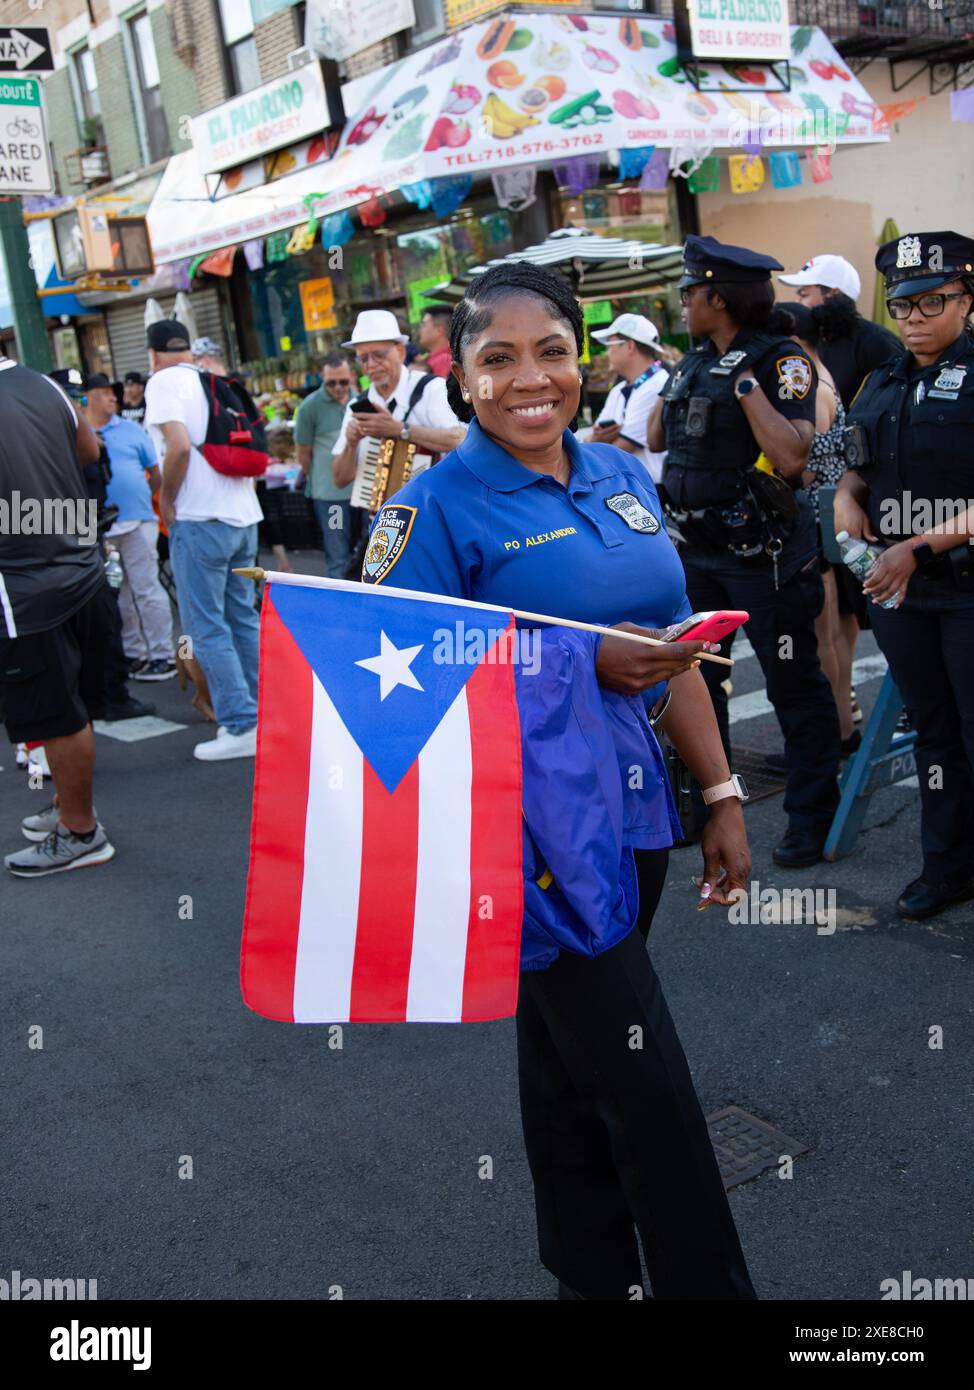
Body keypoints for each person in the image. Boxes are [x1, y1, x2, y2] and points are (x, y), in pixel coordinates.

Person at [360, 260, 756, 1300]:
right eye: (498, 359)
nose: (529, 379)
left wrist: (717, 794)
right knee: (648, 1081)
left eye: (550, 351)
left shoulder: (619, 474)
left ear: (580, 358)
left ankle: (588, 1273)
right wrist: (574, 661)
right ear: (460, 375)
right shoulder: (427, 512)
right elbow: (386, 697)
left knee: (567, 1062)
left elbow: (674, 650)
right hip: (524, 843)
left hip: (635, 815)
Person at [648, 234, 841, 867]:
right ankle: (707, 806)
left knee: (793, 685)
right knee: (696, 682)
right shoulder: (692, 359)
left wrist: (747, 389)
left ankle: (812, 815)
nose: (681, 303)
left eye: (688, 292)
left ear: (719, 296)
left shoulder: (782, 359)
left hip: (767, 559)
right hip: (700, 556)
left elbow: (792, 457)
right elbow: (657, 434)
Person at [836, 230, 974, 919]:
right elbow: (842, 454)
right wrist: (843, 495)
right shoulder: (882, 377)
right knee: (935, 733)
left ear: (966, 298)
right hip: (902, 592)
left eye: (932, 301)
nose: (915, 317)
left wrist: (918, 547)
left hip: (961, 588)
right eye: (903, 304)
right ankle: (947, 867)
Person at [1, 357, 116, 877]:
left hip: (23, 587)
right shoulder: (42, 384)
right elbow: (90, 450)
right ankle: (72, 810)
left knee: (56, 712)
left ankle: (80, 830)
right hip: (78, 564)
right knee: (70, 704)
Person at [143, 319, 262, 761]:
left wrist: (167, 500)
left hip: (200, 519)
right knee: (243, 620)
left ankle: (240, 723)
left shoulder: (162, 384)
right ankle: (265, 714)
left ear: (153, 353)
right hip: (243, 517)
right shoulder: (212, 379)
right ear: (188, 349)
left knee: (207, 627)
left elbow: (175, 447)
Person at [768, 303, 858, 757]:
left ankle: (836, 732)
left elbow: (803, 462)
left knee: (824, 635)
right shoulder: (823, 373)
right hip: (831, 515)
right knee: (837, 631)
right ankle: (844, 724)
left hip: (820, 516)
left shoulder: (807, 381)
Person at [331, 309, 466, 539]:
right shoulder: (358, 404)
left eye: (378, 355)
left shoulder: (430, 388)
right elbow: (340, 479)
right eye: (363, 358)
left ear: (400, 351)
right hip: (383, 527)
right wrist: (351, 444)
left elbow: (461, 439)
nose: (371, 365)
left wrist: (400, 430)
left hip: (437, 516)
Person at [83, 373, 175, 682]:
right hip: (98, 526)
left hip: (138, 520)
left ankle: (163, 654)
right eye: (106, 392)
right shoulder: (78, 430)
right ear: (89, 396)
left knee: (146, 587)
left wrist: (142, 498)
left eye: (114, 393)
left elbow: (155, 473)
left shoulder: (131, 430)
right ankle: (134, 654)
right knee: (117, 594)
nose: (113, 397)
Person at [777, 252, 901, 411]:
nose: (798, 303)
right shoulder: (812, 341)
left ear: (833, 294)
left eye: (804, 295)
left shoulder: (877, 342)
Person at [293, 352, 360, 578]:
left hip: (360, 493)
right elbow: (303, 453)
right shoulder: (310, 406)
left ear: (351, 376)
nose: (338, 387)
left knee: (364, 552)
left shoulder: (360, 399)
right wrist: (318, 479)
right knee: (337, 553)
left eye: (343, 381)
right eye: (331, 383)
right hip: (331, 497)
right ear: (322, 378)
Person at [584, 312, 669, 483]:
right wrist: (595, 439)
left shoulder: (658, 385)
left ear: (630, 346)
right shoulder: (619, 390)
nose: (606, 351)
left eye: (610, 344)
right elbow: (593, 437)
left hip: (652, 489)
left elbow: (623, 448)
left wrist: (595, 443)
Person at [417, 306, 453, 378]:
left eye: (423, 325)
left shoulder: (444, 361)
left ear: (439, 331)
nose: (419, 330)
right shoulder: (436, 358)